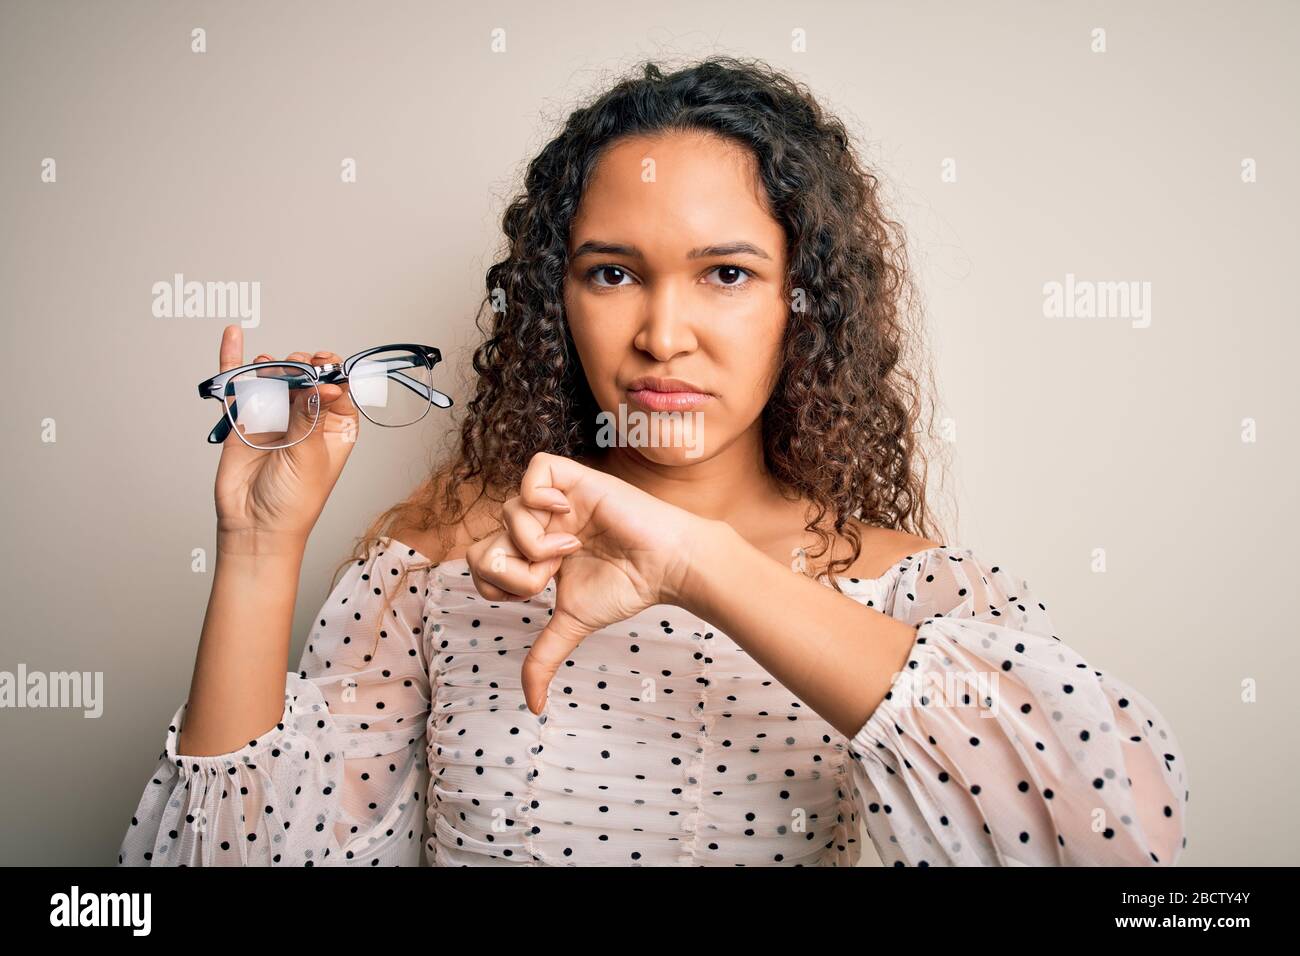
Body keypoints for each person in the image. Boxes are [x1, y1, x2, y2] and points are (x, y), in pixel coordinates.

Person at [117, 56, 1187, 867]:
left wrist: (700, 564)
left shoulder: (922, 598)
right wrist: (260, 548)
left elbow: (1116, 851)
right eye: (614, 272)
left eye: (725, 272)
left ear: (802, 308)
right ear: (557, 302)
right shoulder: (436, 564)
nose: (663, 332)